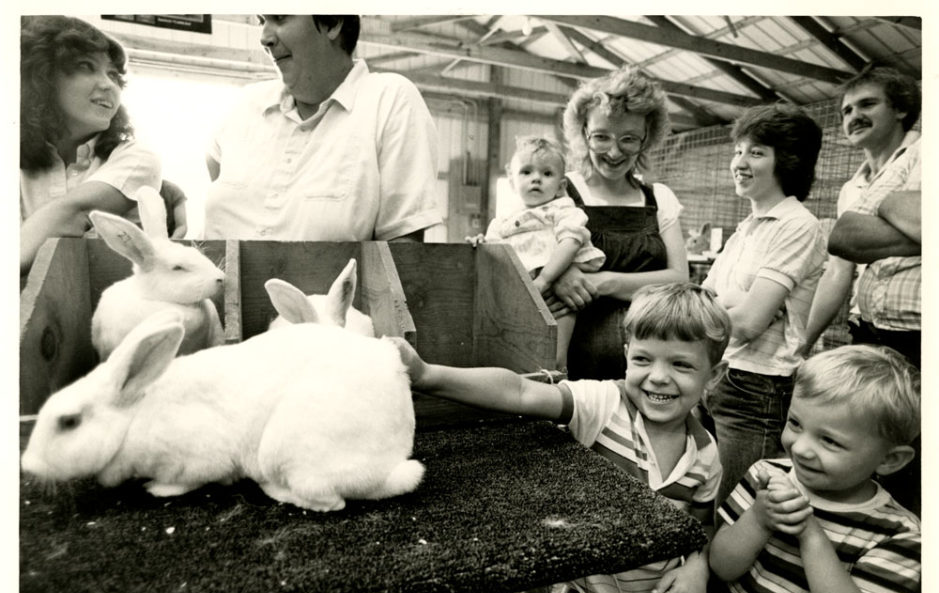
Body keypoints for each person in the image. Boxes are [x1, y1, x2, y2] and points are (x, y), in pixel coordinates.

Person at [393, 282, 731, 593]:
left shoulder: (705, 453)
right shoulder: (604, 406)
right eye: (643, 359)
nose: (659, 376)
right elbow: (519, 392)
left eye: (680, 364)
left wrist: (697, 568)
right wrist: (428, 375)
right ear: (626, 354)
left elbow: (701, 529)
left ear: (713, 375)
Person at [708, 344, 921, 593]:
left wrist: (810, 535)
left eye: (829, 440)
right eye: (795, 423)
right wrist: (758, 519)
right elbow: (721, 566)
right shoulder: (765, 476)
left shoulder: (898, 533)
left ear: (890, 460)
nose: (800, 448)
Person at [204, 15, 440, 242]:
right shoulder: (245, 105)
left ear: (333, 23)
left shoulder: (389, 101)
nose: (264, 37)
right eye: (261, 20)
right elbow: (214, 167)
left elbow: (402, 253)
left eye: (280, 17)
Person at [701, 102, 826, 505]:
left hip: (758, 385)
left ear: (787, 161)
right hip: (721, 372)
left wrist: (738, 305)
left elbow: (751, 322)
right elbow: (705, 300)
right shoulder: (747, 227)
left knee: (737, 503)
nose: (739, 161)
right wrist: (738, 302)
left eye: (756, 152)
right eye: (738, 150)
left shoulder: (797, 225)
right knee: (706, 489)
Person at [552, 66, 689, 381]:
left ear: (646, 139)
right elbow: (524, 252)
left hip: (651, 364)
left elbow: (679, 278)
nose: (614, 152)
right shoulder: (560, 191)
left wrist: (602, 283)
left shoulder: (659, 198)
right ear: (583, 133)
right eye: (601, 137)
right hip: (574, 363)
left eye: (629, 139)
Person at [19, 15, 161, 275]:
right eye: (86, 66)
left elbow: (73, 212)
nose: (108, 85)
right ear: (40, 76)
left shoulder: (135, 158)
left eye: (114, 75)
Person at [803, 65, 921, 369]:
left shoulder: (926, 152)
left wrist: (874, 231)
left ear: (901, 108)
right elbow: (840, 264)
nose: (853, 116)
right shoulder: (850, 189)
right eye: (846, 111)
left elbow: (855, 239)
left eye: (867, 104)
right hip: (867, 331)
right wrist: (803, 344)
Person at [475, 136, 605, 370]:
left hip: (556, 296)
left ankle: (555, 387)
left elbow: (571, 241)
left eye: (547, 174)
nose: (536, 179)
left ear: (561, 186)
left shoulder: (563, 210)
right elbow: (494, 254)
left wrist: (545, 279)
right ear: (512, 180)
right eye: (526, 172)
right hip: (517, 297)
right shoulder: (502, 221)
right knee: (515, 354)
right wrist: (480, 244)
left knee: (554, 357)